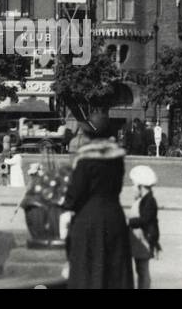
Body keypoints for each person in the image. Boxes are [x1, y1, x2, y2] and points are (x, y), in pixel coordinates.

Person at [58, 114, 135, 290]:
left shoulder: (86, 159)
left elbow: (76, 192)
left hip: (89, 218)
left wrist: (66, 207)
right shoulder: (117, 158)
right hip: (114, 215)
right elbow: (117, 188)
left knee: (88, 269)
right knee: (114, 269)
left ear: (88, 135)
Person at [128, 164, 161, 290]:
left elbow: (146, 219)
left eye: (134, 185)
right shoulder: (143, 199)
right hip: (141, 240)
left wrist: (130, 222)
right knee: (140, 269)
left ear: (141, 186)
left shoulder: (149, 201)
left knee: (142, 271)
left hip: (145, 241)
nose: (132, 188)